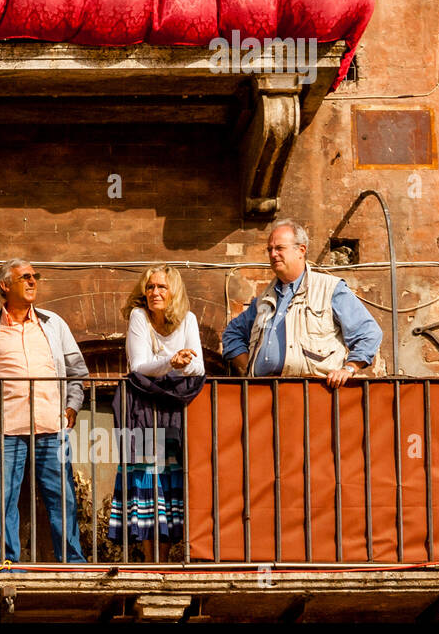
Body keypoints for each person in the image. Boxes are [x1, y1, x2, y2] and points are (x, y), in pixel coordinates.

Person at [0, 260, 89, 565]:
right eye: (24, 277)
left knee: (62, 498)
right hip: (4, 425)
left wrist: (72, 404)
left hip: (51, 425)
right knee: (3, 501)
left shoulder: (53, 323)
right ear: (5, 285)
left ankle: (73, 563)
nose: (32, 281)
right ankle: (7, 563)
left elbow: (77, 370)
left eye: (34, 277)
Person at [108, 265, 205, 561]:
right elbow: (138, 366)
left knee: (171, 479)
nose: (154, 293)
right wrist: (172, 363)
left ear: (174, 291)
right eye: (149, 288)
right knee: (146, 480)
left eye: (161, 287)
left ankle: (168, 559)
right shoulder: (140, 318)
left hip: (174, 408)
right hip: (143, 409)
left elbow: (199, 367)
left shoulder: (188, 319)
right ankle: (150, 561)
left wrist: (179, 363)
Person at [222, 220, 382, 389]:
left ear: (301, 250)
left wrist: (349, 369)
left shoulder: (329, 289)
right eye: (270, 249)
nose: (273, 254)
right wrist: (250, 367)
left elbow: (369, 333)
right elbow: (232, 334)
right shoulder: (264, 300)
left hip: (313, 394)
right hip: (264, 395)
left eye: (279, 248)